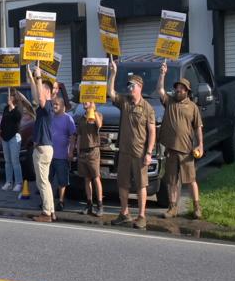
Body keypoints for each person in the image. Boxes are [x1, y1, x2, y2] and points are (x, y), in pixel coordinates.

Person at [108, 57, 157, 229]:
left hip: (140, 153)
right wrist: (113, 73)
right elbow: (111, 93)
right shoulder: (124, 102)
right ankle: (124, 213)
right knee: (122, 183)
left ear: (140, 87)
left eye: (132, 85)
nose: (129, 88)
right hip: (124, 152)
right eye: (128, 85)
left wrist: (149, 153)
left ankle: (141, 216)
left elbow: (152, 132)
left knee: (141, 184)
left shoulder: (148, 108)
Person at [155, 60, 205, 220]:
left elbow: (198, 127)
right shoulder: (169, 102)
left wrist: (200, 145)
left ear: (187, 91)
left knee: (191, 180)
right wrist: (162, 74)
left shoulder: (193, 107)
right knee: (172, 181)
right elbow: (160, 90)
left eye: (181, 88)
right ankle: (172, 208)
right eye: (177, 88)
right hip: (170, 150)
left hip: (187, 150)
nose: (178, 90)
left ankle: (197, 207)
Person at [24, 63, 58, 222]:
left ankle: (46, 213)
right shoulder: (44, 106)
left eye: (42, 90)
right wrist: (31, 76)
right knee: (44, 182)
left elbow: (41, 98)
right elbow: (36, 94)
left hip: (43, 148)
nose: (39, 93)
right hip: (44, 148)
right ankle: (51, 211)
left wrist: (38, 76)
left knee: (42, 182)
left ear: (47, 92)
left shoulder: (48, 105)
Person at [47, 92, 77, 213]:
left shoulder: (68, 118)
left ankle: (60, 201)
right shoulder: (50, 117)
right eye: (53, 104)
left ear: (62, 106)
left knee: (62, 181)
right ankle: (47, 202)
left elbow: (73, 136)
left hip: (62, 156)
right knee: (47, 180)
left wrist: (70, 151)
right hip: (49, 156)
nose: (54, 106)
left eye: (56, 104)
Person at [75, 98, 104, 216]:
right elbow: (79, 136)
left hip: (93, 151)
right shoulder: (82, 118)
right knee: (86, 179)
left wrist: (94, 110)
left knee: (96, 178)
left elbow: (99, 125)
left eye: (87, 101)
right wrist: (77, 151)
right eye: (84, 100)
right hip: (83, 152)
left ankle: (100, 205)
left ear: (93, 102)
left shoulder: (98, 114)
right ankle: (89, 204)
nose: (84, 102)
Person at [0, 88, 24, 192]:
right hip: (5, 137)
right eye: (7, 96)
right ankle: (8, 182)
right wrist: (0, 133)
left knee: (15, 161)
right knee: (7, 161)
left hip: (14, 137)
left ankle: (18, 183)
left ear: (14, 97)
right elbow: (3, 122)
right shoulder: (6, 108)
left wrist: (12, 106)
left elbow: (18, 117)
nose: (8, 97)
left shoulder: (18, 108)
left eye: (10, 95)